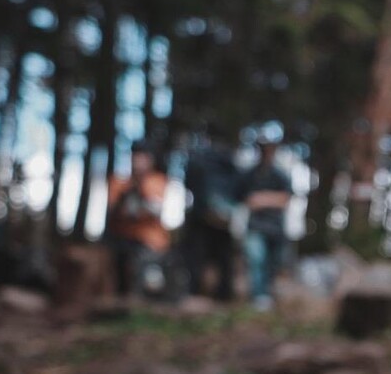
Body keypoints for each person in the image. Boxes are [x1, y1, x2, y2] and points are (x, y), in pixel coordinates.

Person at [183, 122, 240, 301]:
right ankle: (224, 294)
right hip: (224, 219)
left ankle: (194, 292)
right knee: (224, 258)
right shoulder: (231, 160)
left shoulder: (198, 158)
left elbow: (189, 183)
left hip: (201, 215)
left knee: (197, 256)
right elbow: (240, 187)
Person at [105, 143, 171, 298]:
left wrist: (140, 189)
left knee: (148, 275)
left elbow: (154, 210)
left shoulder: (157, 181)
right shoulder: (119, 182)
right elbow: (116, 210)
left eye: (143, 157)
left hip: (150, 242)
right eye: (136, 157)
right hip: (121, 239)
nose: (138, 161)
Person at [239, 131, 294, 310]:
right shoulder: (250, 174)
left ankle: (267, 293)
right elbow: (244, 198)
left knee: (272, 262)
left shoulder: (280, 174)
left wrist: (263, 198)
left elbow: (286, 198)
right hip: (255, 226)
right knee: (257, 259)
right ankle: (258, 295)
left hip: (276, 227)